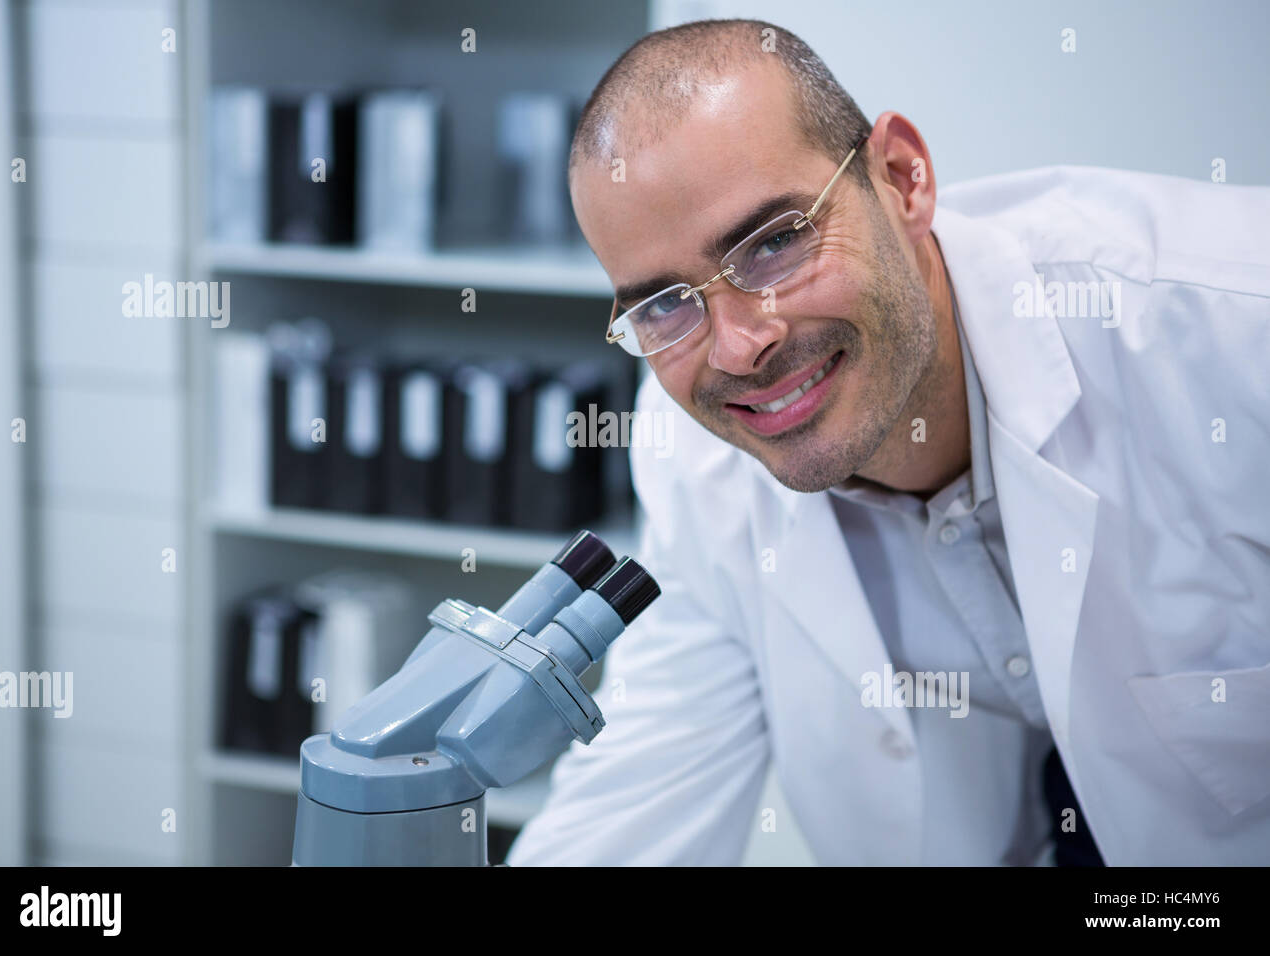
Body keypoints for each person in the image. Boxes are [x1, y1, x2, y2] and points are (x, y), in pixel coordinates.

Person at [506, 18, 1270, 865]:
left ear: (903, 179)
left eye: (773, 244)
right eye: (664, 304)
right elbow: (638, 796)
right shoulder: (696, 454)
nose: (736, 348)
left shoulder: (1230, 332)